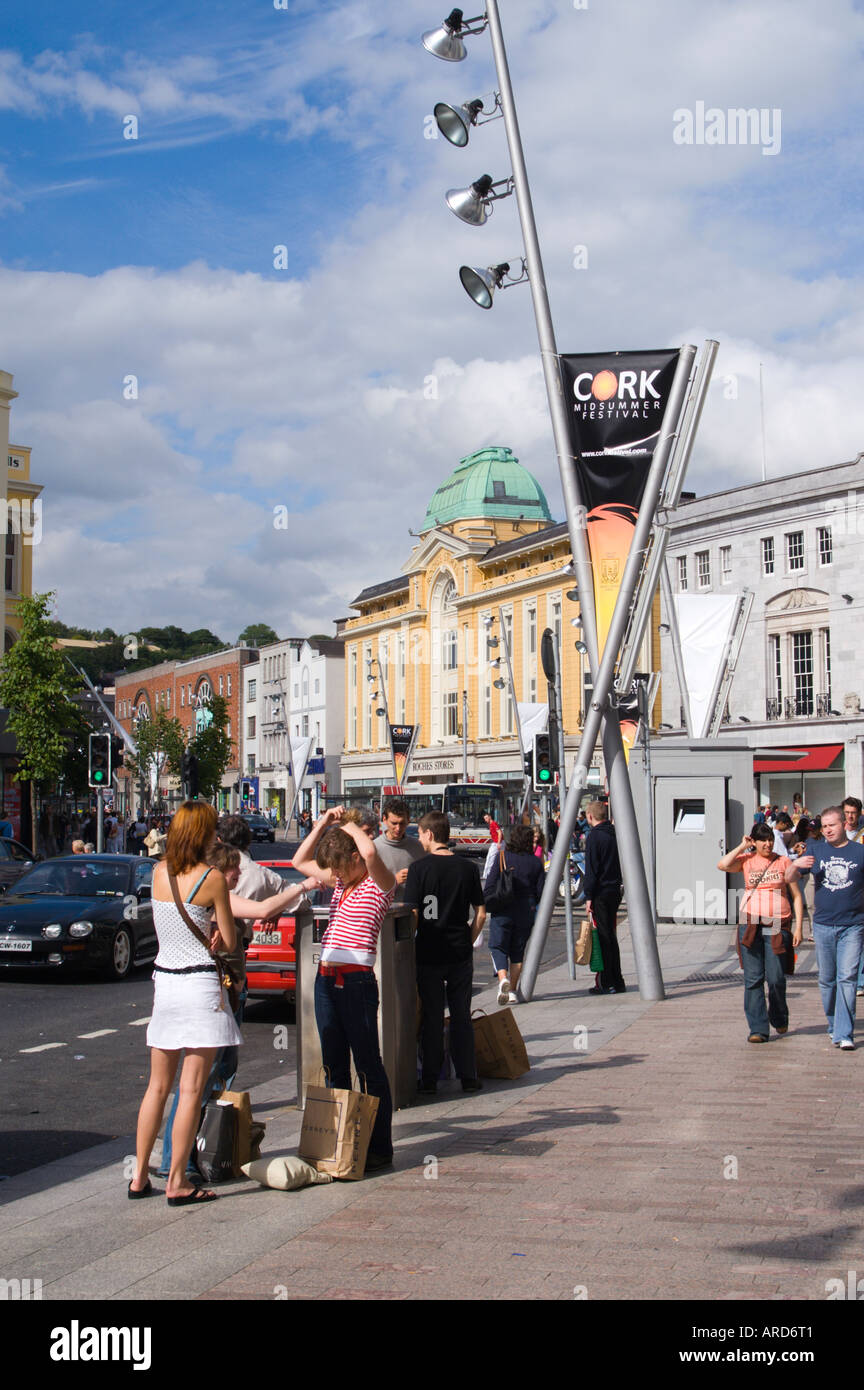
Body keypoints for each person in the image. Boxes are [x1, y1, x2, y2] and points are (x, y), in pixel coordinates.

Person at [157, 840, 318, 1181]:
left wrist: (273, 910)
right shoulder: (217, 895)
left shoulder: (211, 893)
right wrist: (304, 885)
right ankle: (177, 1160)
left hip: (223, 988)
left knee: (216, 1071)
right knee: (200, 1079)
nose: (238, 875)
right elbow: (258, 911)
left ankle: (190, 1152)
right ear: (219, 869)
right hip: (215, 991)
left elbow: (260, 910)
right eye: (234, 870)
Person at [129, 801, 242, 1205]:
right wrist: (214, 930)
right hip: (198, 986)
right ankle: (177, 1180)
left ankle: (139, 1176)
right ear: (203, 834)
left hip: (165, 987)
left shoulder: (158, 872)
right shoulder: (212, 878)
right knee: (191, 1089)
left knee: (156, 1088)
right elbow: (228, 941)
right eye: (212, 829)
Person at [293, 806, 397, 1171]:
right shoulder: (341, 882)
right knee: (333, 1063)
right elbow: (299, 859)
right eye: (333, 869)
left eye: (340, 866)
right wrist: (322, 823)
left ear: (354, 857)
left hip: (356, 982)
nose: (335, 874)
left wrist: (347, 823)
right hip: (326, 980)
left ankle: (379, 1147)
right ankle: (337, 1145)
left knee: (368, 1066)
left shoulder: (379, 882)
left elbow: (370, 852)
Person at [403, 812, 486, 1096]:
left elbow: (414, 913)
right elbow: (481, 913)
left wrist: (410, 944)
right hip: (459, 952)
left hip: (429, 950)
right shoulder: (467, 868)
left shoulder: (419, 869)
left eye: (420, 834)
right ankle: (468, 1075)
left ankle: (429, 1079)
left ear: (428, 834)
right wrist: (468, 938)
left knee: (432, 1015)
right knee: (461, 1014)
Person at [718, 823, 803, 1043]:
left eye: (770, 840)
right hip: (750, 921)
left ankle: (779, 1016)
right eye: (762, 840)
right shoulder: (746, 861)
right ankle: (758, 1029)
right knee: (753, 979)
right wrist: (742, 846)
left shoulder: (783, 861)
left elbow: (796, 896)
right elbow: (722, 864)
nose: (767, 844)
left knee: (775, 977)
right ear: (754, 842)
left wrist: (799, 927)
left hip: (776, 923)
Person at [787, 806, 864, 1050]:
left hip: (853, 926)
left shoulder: (860, 852)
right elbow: (789, 878)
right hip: (823, 925)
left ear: (844, 824)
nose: (828, 830)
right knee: (827, 980)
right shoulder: (816, 849)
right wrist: (794, 864)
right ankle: (833, 1025)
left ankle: (844, 1033)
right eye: (825, 826)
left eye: (833, 825)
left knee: (848, 978)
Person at [484, 823, 545, 1005]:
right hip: (526, 909)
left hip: (503, 907)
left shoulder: (504, 857)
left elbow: (490, 884)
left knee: (498, 946)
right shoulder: (535, 862)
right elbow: (541, 891)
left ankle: (503, 978)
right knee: (518, 951)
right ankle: (512, 991)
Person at [583, 800, 626, 995]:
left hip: (600, 892)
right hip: (614, 889)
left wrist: (589, 896)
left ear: (590, 816)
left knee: (603, 937)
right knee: (611, 935)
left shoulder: (594, 837)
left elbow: (592, 869)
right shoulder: (615, 834)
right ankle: (617, 980)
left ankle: (606, 981)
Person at [373, 797, 426, 904]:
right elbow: (367, 889)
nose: (398, 828)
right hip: (385, 913)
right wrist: (394, 881)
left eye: (402, 823)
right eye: (394, 823)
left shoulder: (418, 847)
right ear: (384, 819)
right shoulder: (374, 849)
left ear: (408, 821)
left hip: (412, 911)